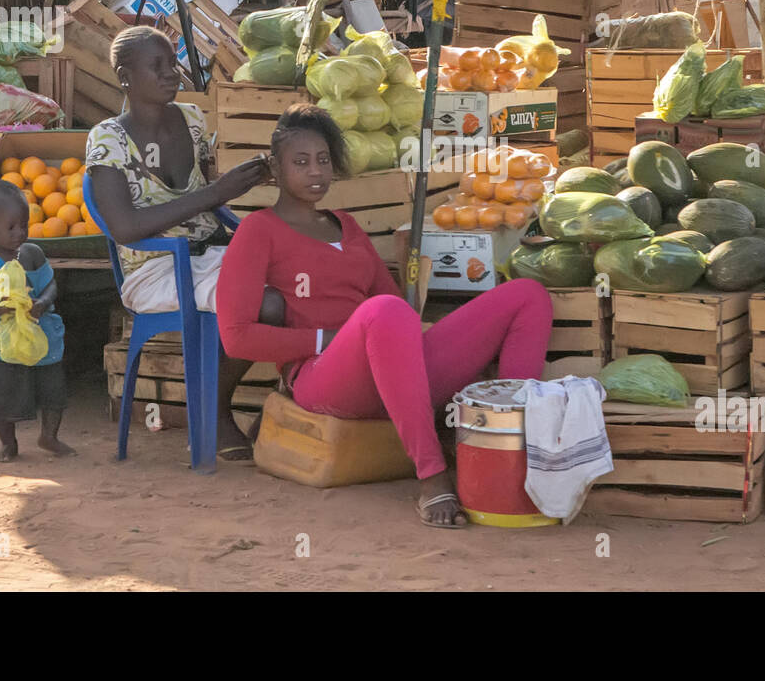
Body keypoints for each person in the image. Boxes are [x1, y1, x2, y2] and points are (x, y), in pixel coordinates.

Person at [216, 104, 554, 528]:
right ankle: (432, 476)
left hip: (392, 370)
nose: (315, 171)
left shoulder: (349, 227)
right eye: (300, 162)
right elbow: (237, 337)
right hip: (323, 377)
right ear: (277, 170)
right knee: (384, 311)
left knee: (527, 295)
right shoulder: (258, 231)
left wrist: (446, 349)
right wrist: (325, 339)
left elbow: (398, 310)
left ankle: (512, 450)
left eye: (323, 160)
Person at [86, 25, 272, 460]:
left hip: (208, 253)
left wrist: (235, 195)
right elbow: (126, 229)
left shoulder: (192, 120)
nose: (172, 74)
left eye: (174, 63)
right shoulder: (107, 139)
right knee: (265, 304)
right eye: (158, 66)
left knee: (291, 287)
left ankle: (282, 404)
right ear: (124, 77)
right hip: (154, 268)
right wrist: (215, 194)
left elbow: (211, 201)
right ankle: (215, 411)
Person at [0, 181, 71, 463]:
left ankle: (49, 435)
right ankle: (8, 444)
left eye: (24, 225)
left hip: (42, 337)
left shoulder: (33, 253)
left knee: (53, 391)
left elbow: (51, 285)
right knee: (2, 399)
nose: (20, 234)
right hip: (2, 345)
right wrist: (2, 308)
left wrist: (43, 302)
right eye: (11, 227)